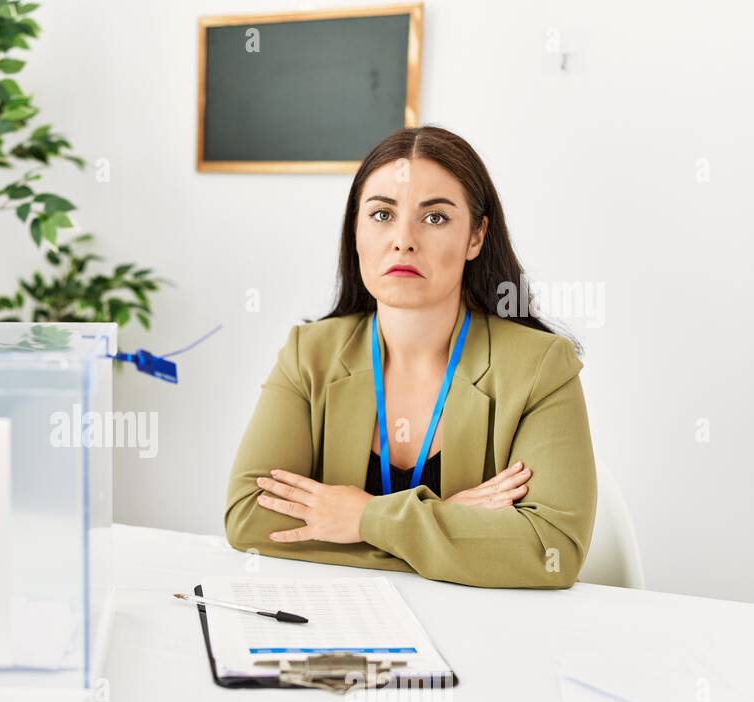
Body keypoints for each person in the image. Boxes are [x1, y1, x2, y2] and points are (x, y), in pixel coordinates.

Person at [224, 126, 596, 589]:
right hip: (336, 630)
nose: (403, 240)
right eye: (382, 214)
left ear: (476, 237)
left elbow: (550, 549)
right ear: (356, 230)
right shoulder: (309, 354)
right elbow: (249, 520)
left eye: (435, 218)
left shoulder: (542, 366)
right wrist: (446, 521)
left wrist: (362, 518)